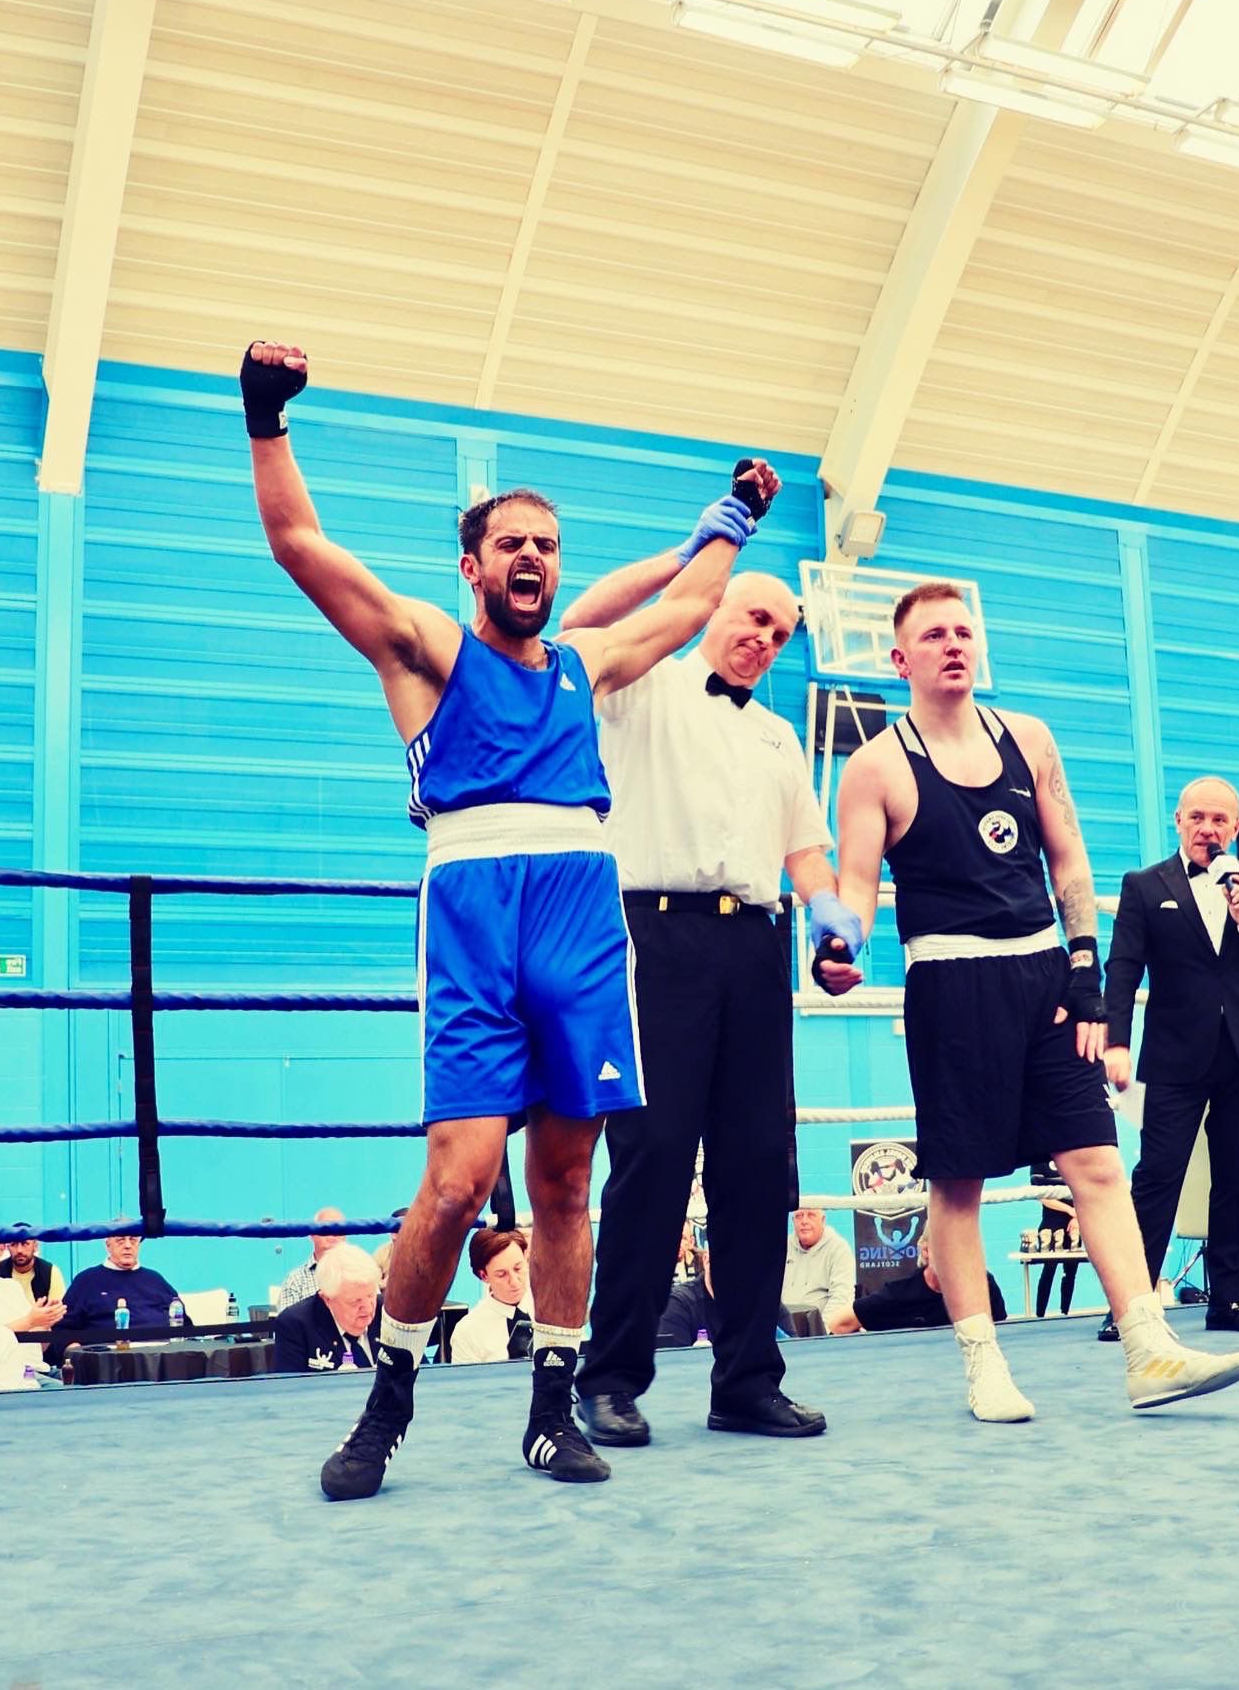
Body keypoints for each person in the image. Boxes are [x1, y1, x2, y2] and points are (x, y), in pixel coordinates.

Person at [242, 341, 767, 1495]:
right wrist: (265, 419)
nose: (531, 558)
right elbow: (301, 548)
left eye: (547, 545)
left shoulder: (582, 664)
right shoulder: (428, 652)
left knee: (571, 1180)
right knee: (460, 1180)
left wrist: (733, 514)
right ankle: (385, 1407)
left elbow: (686, 606)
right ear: (473, 563)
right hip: (476, 907)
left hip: (582, 909)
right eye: (510, 544)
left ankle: (552, 1408)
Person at [820, 581, 1239, 1420]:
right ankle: (984, 1364)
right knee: (958, 1184)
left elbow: (1071, 864)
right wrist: (841, 950)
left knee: (1095, 1161)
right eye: (935, 635)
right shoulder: (875, 765)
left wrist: (1086, 974)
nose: (955, 644)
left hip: (1046, 979)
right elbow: (855, 886)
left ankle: (1147, 1346)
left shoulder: (1029, 739)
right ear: (899, 658)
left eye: (964, 631)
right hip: (949, 984)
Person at [562, 544, 864, 1450]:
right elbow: (577, 625)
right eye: (752, 619)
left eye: (780, 632)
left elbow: (805, 851)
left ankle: (746, 1380)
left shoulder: (776, 735)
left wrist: (831, 915)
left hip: (756, 948)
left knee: (757, 1167)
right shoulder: (641, 685)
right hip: (654, 938)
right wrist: (695, 557)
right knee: (651, 1160)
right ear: (712, 611)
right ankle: (609, 1378)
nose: (764, 640)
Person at [1101, 776, 1239, 1339]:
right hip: (1173, 1058)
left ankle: (1229, 1302)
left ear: (1236, 828)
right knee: (1156, 1178)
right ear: (1179, 820)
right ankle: (1132, 1306)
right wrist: (1115, 1041)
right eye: (1198, 818)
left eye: (1220, 820)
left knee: (1237, 1182)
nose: (1208, 829)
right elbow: (1122, 969)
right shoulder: (1144, 886)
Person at [828, 1226, 1005, 1334]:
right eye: (945, 1248)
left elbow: (1003, 1334)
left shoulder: (983, 1284)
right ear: (926, 1251)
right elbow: (838, 1324)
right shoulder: (898, 1295)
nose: (954, 1257)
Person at [275, 1244, 384, 1374]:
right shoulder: (295, 1325)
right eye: (355, 1302)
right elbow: (287, 1389)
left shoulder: (389, 1313)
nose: (368, 1307)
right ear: (327, 1299)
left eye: (371, 1295)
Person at [0, 1227, 67, 1374]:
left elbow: (39, 1347)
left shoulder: (12, 1287)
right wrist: (31, 1321)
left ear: (2, 1248)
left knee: (89, 1381)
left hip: (40, 1369)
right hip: (9, 1375)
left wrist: (46, 1323)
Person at [54, 1233, 181, 1336]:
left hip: (159, 1358)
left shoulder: (156, 1280)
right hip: (107, 1360)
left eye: (133, 1240)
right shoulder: (86, 1281)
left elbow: (183, 1322)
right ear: (108, 1245)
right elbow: (63, 1329)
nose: (127, 1245)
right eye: (120, 1240)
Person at [449, 1229, 535, 1365]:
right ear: (483, 1276)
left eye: (518, 1268)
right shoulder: (468, 1332)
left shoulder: (552, 1305)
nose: (514, 1281)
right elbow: (467, 1384)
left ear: (525, 1257)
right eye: (501, 1274)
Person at [781, 1209, 856, 1333]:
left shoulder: (839, 1249)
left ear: (823, 1220)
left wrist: (820, 1334)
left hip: (821, 1336)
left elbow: (842, 1298)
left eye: (811, 1215)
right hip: (783, 1334)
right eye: (799, 1216)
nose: (804, 1221)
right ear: (793, 1221)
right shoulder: (781, 1247)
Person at [1031, 1161, 1081, 1318]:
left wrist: (1077, 1217)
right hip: (1051, 1225)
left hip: (1073, 1225)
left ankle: (1065, 1312)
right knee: (1049, 1269)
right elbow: (1041, 1197)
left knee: (1070, 1271)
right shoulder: (1039, 1163)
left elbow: (1084, 1192)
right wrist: (1070, 1210)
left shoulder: (1074, 1159)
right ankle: (1040, 1314)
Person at [275, 1207, 348, 1312]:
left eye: (339, 1229)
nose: (333, 1234)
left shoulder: (361, 1272)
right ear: (312, 1234)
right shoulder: (295, 1280)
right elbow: (287, 1326)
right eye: (325, 1229)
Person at [0, 1225, 65, 1306]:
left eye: (25, 1244)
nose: (19, 1250)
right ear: (8, 1247)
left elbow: (56, 1312)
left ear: (35, 1246)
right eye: (14, 1244)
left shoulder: (51, 1272)